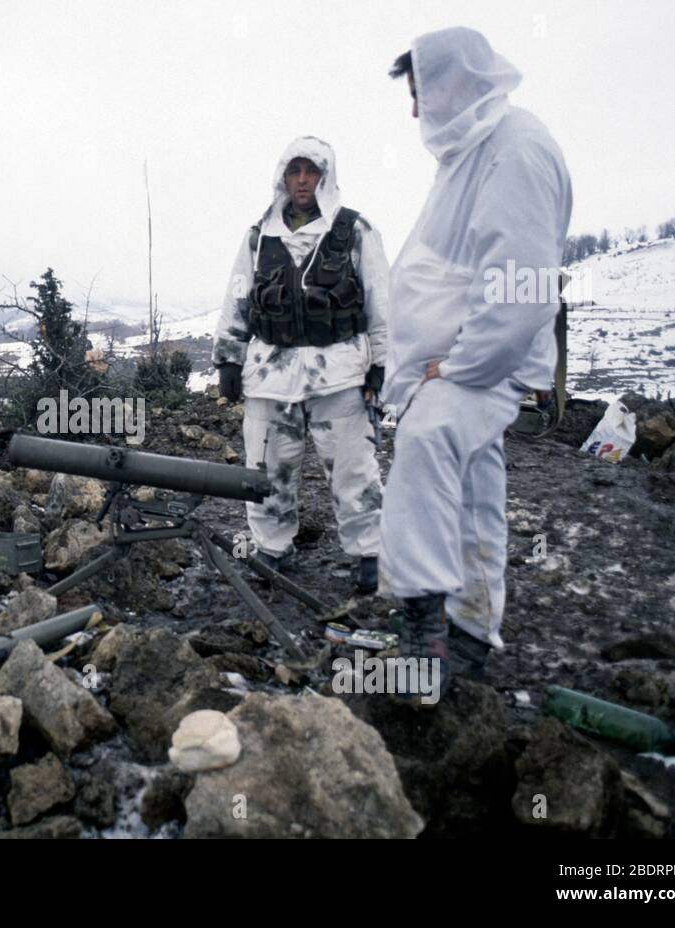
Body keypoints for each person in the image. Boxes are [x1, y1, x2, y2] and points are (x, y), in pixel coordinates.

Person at [379, 28, 573, 686]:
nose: (415, 112)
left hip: (483, 359)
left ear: (454, 81)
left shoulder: (514, 149)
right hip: (465, 357)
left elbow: (520, 280)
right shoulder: (476, 149)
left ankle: (427, 622)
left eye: (419, 94)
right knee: (474, 484)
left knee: (427, 444)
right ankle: (472, 626)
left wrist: (462, 365)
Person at [211, 136, 390, 594]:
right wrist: (228, 358)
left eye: (311, 171)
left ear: (325, 177)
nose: (303, 180)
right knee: (267, 467)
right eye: (295, 172)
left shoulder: (355, 231)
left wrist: (383, 365)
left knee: (354, 469)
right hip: (270, 373)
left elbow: (381, 301)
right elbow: (236, 296)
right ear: (283, 178)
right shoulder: (259, 236)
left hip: (340, 373)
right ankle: (271, 547)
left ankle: (369, 553)